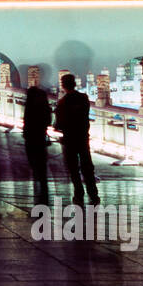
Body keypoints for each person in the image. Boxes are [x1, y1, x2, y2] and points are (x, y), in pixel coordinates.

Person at [54, 73, 99, 204]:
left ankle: (78, 193)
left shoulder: (63, 102)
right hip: (83, 137)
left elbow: (59, 124)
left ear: (63, 86)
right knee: (87, 166)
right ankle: (93, 194)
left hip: (69, 139)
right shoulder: (84, 98)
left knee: (73, 168)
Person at [23, 85, 53, 205]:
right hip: (40, 138)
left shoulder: (30, 106)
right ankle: (44, 197)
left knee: (35, 168)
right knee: (42, 169)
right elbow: (48, 121)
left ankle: (39, 198)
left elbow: (27, 121)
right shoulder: (44, 106)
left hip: (31, 138)